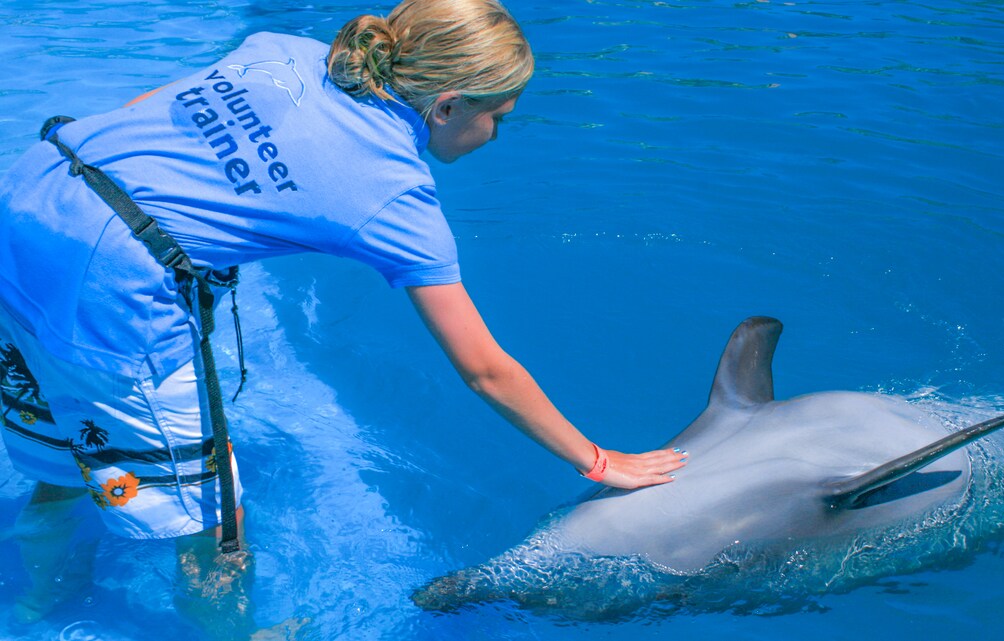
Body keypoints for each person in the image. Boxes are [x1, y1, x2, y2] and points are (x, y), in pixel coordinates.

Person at [0, 0, 686, 634]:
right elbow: (485, 370)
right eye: (497, 116)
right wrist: (599, 462)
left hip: (29, 202)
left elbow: (140, 111)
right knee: (217, 525)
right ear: (447, 106)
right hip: (108, 291)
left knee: (64, 448)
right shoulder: (393, 195)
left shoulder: (286, 49)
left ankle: (36, 599)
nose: (496, 134)